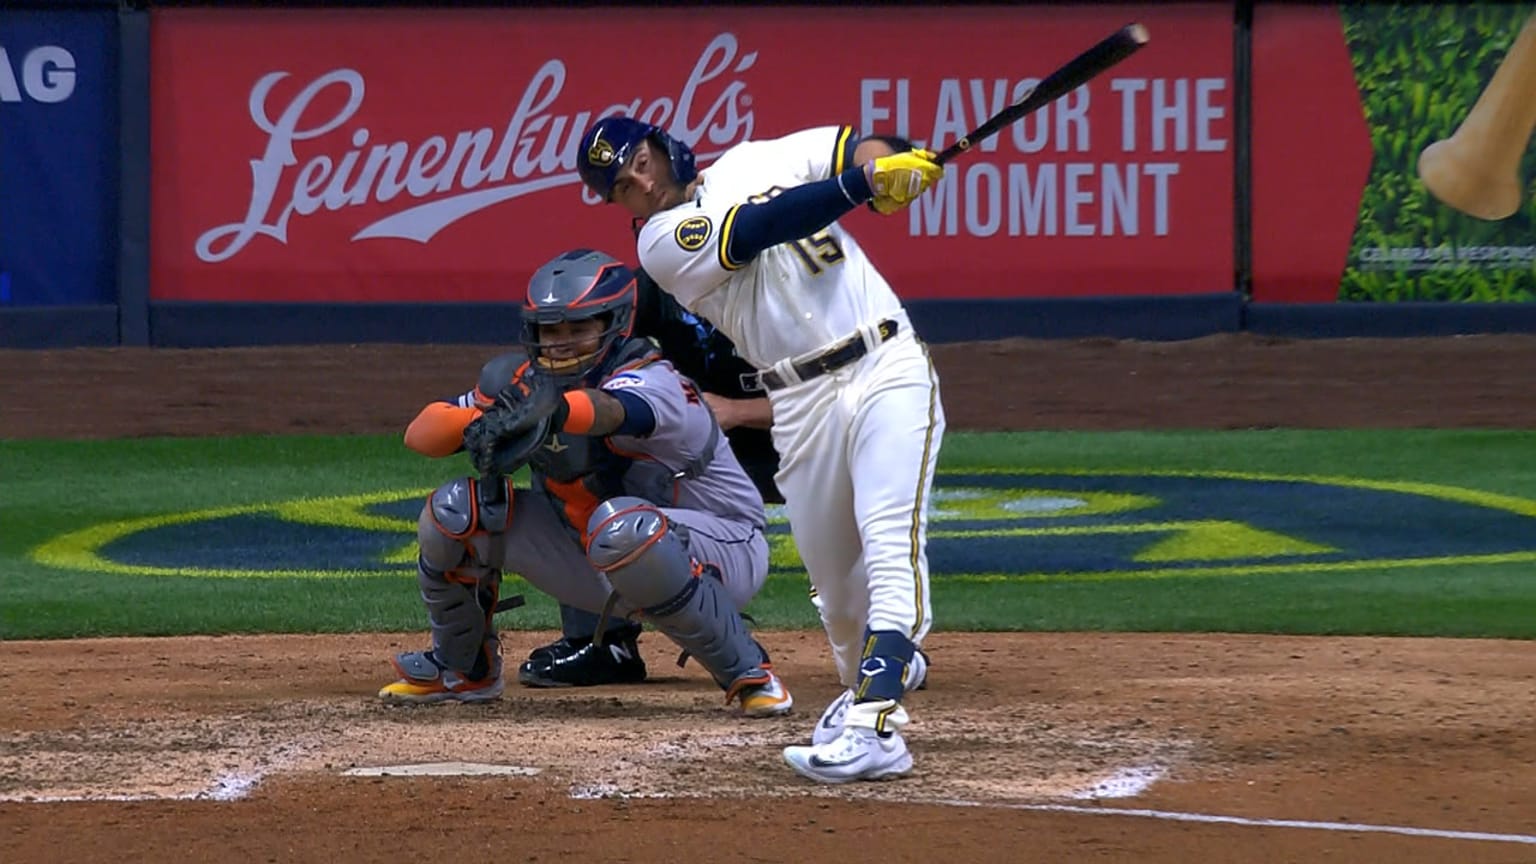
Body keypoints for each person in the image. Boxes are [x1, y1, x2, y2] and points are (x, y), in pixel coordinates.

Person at [576, 117, 946, 783]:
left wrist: (890, 166)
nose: (641, 184)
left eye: (640, 163)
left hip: (886, 364)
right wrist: (865, 184)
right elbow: (756, 227)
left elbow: (855, 145)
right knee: (841, 608)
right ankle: (890, 664)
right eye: (623, 186)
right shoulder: (661, 245)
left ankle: (875, 727)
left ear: (660, 147)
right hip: (798, 402)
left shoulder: (754, 159)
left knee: (889, 538)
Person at [380, 248, 792, 719]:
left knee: (623, 527)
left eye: (577, 329)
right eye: (550, 331)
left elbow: (613, 412)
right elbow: (420, 435)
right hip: (598, 556)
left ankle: (750, 674)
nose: (560, 344)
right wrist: (481, 420)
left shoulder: (653, 379)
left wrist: (550, 412)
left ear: (612, 325)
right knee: (455, 511)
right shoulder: (524, 383)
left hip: (724, 547)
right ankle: (462, 669)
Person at [514, 267, 784, 689]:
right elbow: (607, 364)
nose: (560, 341)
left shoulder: (791, 284)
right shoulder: (660, 277)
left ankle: (728, 636)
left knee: (628, 517)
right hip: (672, 445)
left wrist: (737, 410)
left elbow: (836, 396)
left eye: (576, 328)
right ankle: (604, 644)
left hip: (778, 450)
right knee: (561, 454)